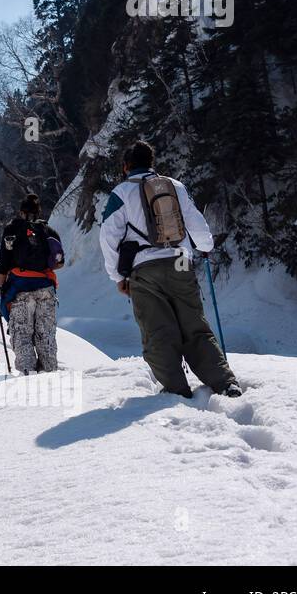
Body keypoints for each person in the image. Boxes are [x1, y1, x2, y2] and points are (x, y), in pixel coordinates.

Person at [99, 140, 241, 399]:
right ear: (152, 163)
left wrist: (118, 276)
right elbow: (195, 222)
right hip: (180, 261)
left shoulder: (121, 193)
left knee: (158, 331)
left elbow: (108, 237)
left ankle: (177, 390)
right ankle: (225, 382)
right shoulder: (174, 186)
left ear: (125, 167)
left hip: (144, 269)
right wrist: (205, 246)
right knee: (195, 325)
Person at [0, 194, 63, 374]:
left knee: (22, 336)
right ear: (38, 212)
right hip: (46, 290)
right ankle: (49, 375)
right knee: (45, 336)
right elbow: (59, 262)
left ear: (21, 212)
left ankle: (28, 378)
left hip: (20, 291)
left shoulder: (12, 230)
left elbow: (3, 262)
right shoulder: (49, 231)